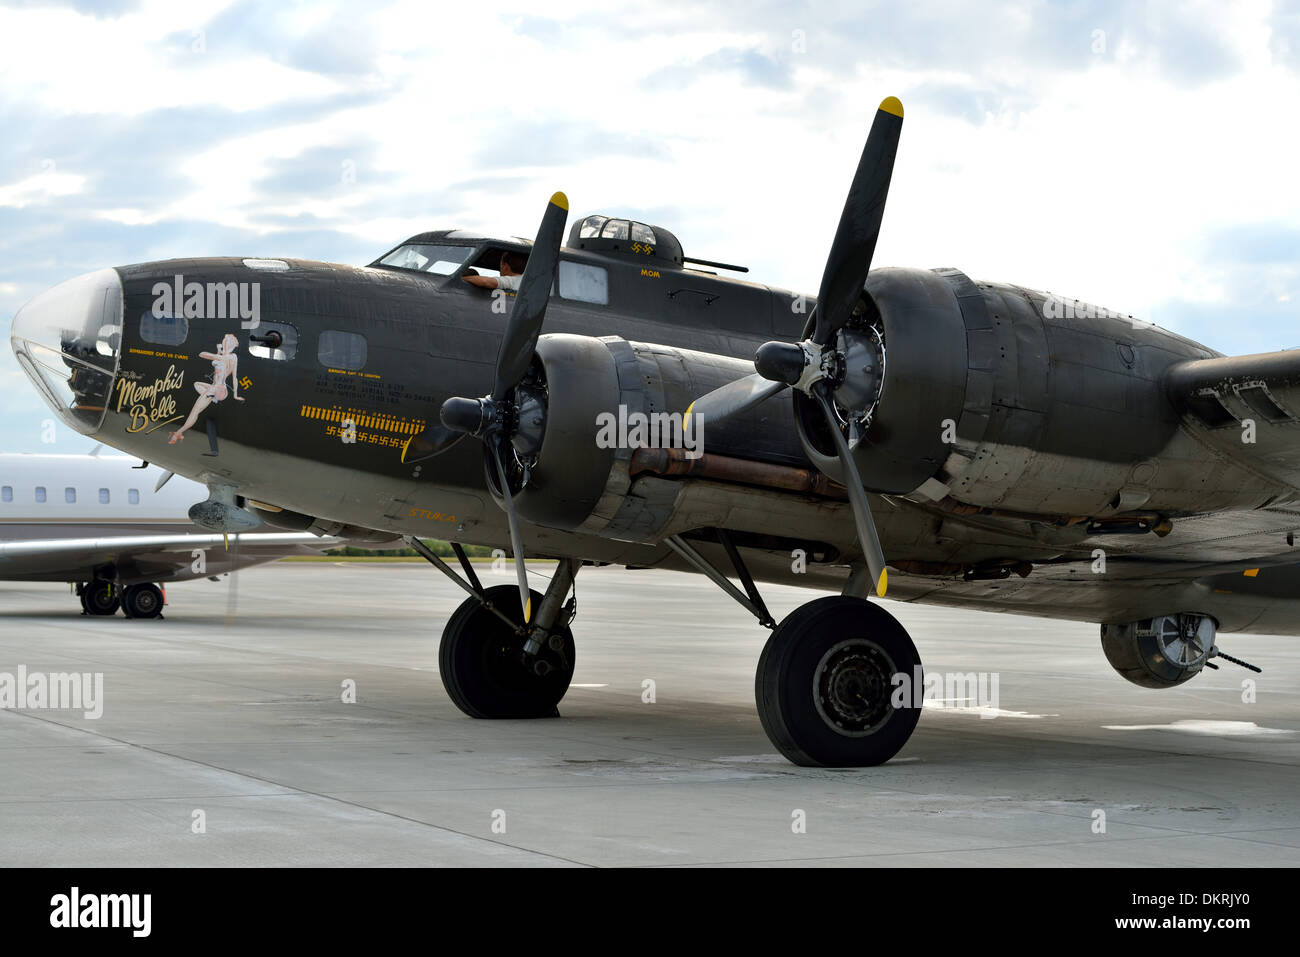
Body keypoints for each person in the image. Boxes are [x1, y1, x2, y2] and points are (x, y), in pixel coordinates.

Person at [168, 333, 243, 444]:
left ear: (229, 345)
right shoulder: (233, 357)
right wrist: (235, 394)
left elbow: (202, 354)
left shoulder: (224, 357)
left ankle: (178, 433)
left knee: (195, 411)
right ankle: (212, 398)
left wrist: (217, 354)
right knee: (197, 384)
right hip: (221, 389)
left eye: (226, 342)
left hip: (216, 389)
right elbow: (234, 377)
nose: (225, 343)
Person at [462, 251, 527, 291]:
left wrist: (461, 279)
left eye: (501, 265)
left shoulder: (513, 281)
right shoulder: (525, 280)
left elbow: (485, 282)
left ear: (506, 267)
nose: (500, 271)